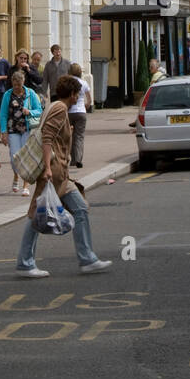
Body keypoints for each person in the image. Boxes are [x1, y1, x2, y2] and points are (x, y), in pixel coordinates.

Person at [15, 75, 112, 278]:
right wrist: (48, 168)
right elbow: (48, 137)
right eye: (78, 93)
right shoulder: (59, 108)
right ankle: (25, 263)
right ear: (73, 93)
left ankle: (87, 259)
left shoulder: (55, 106)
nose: (79, 96)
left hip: (61, 173)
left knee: (80, 209)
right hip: (53, 171)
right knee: (36, 214)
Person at [0, 70, 43, 196]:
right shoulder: (7, 95)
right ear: (12, 83)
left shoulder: (30, 93)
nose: (17, 87)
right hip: (12, 129)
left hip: (27, 129)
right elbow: (3, 114)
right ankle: (15, 176)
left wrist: (30, 112)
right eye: (15, 85)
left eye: (19, 85)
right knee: (14, 157)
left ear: (23, 82)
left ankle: (25, 185)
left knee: (25, 157)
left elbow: (39, 110)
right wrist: (3, 132)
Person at [67, 63, 92, 167]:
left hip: (69, 112)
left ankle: (71, 159)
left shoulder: (68, 83)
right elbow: (89, 99)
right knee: (79, 136)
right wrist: (85, 105)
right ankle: (78, 159)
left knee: (69, 136)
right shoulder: (84, 83)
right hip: (81, 112)